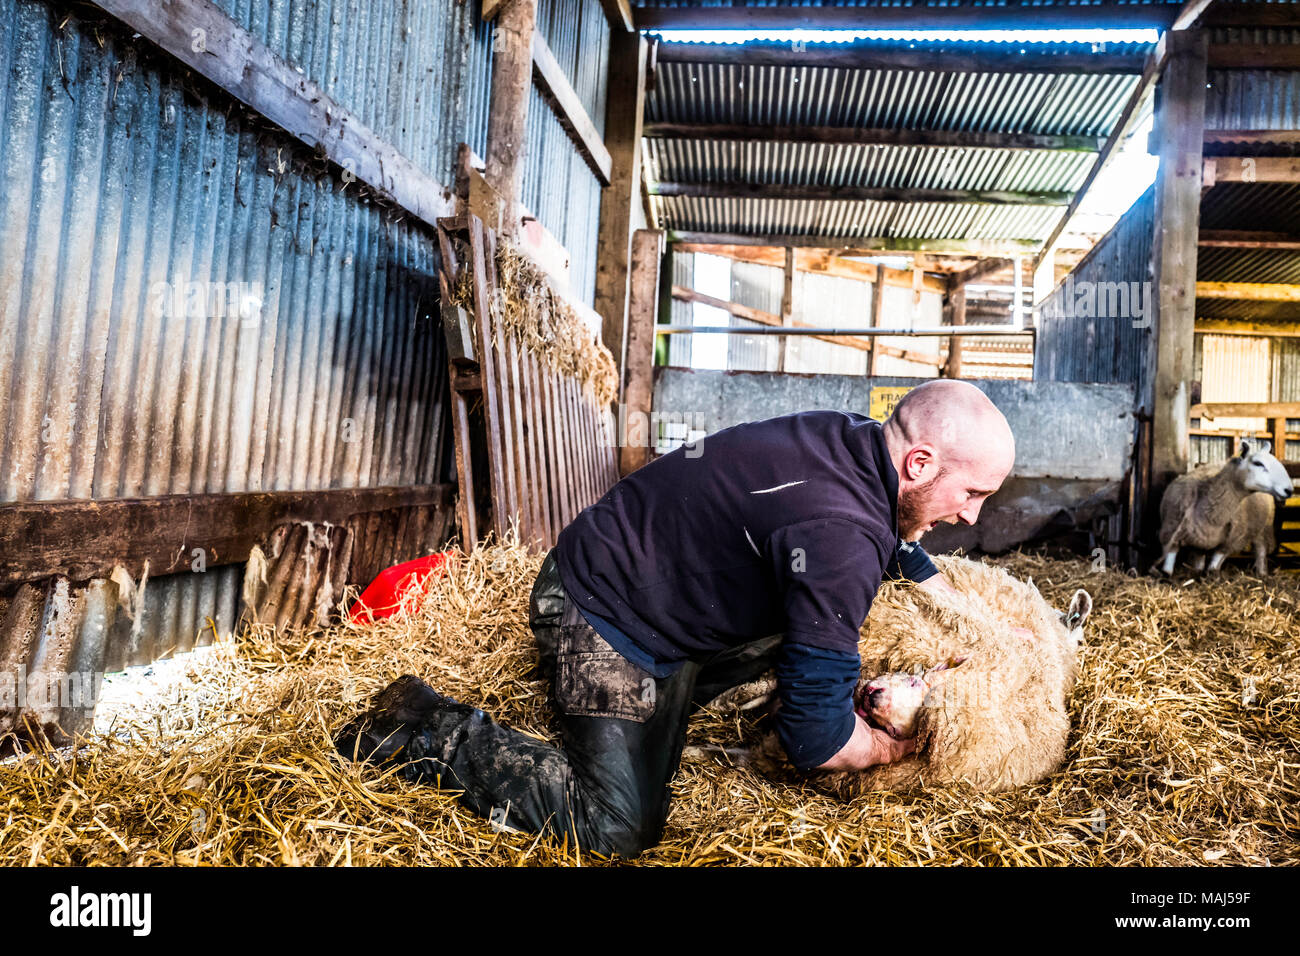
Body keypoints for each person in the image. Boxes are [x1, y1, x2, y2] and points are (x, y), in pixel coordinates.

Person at [335, 379, 1017, 857]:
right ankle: (422, 725)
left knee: (824, 630)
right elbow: (814, 740)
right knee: (615, 826)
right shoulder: (842, 533)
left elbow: (892, 548)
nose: (971, 516)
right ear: (919, 462)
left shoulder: (853, 443)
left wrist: (965, 609)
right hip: (597, 611)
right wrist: (894, 750)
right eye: (971, 493)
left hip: (655, 586)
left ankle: (665, 704)